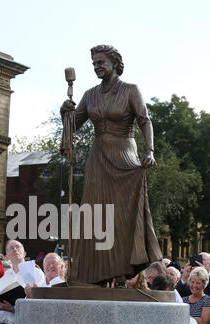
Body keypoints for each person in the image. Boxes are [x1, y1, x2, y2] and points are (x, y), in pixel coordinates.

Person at [61, 44, 162, 286]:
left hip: (124, 155)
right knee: (95, 214)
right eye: (94, 63)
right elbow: (73, 124)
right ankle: (94, 274)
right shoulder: (90, 94)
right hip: (98, 157)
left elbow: (144, 121)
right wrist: (64, 112)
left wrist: (149, 151)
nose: (96, 67)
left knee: (122, 216)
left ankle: (120, 272)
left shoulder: (130, 90)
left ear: (114, 64)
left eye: (101, 62)